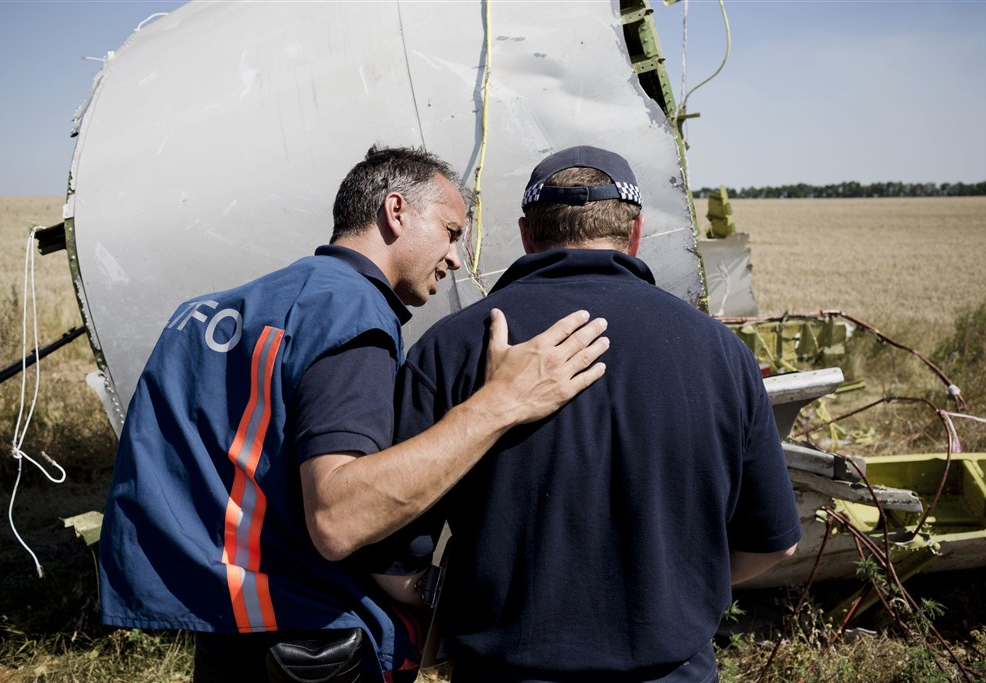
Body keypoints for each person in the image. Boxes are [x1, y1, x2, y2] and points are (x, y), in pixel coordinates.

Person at [97, 145, 609, 682]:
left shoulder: (210, 312)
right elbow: (338, 520)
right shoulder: (348, 309)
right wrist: (499, 405)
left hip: (225, 631)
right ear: (396, 211)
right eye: (451, 232)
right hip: (312, 647)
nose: (456, 257)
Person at [389, 146, 802, 682]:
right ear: (634, 234)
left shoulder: (452, 346)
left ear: (526, 234)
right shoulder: (721, 352)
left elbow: (391, 554)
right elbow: (774, 541)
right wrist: (676, 593)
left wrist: (465, 600)